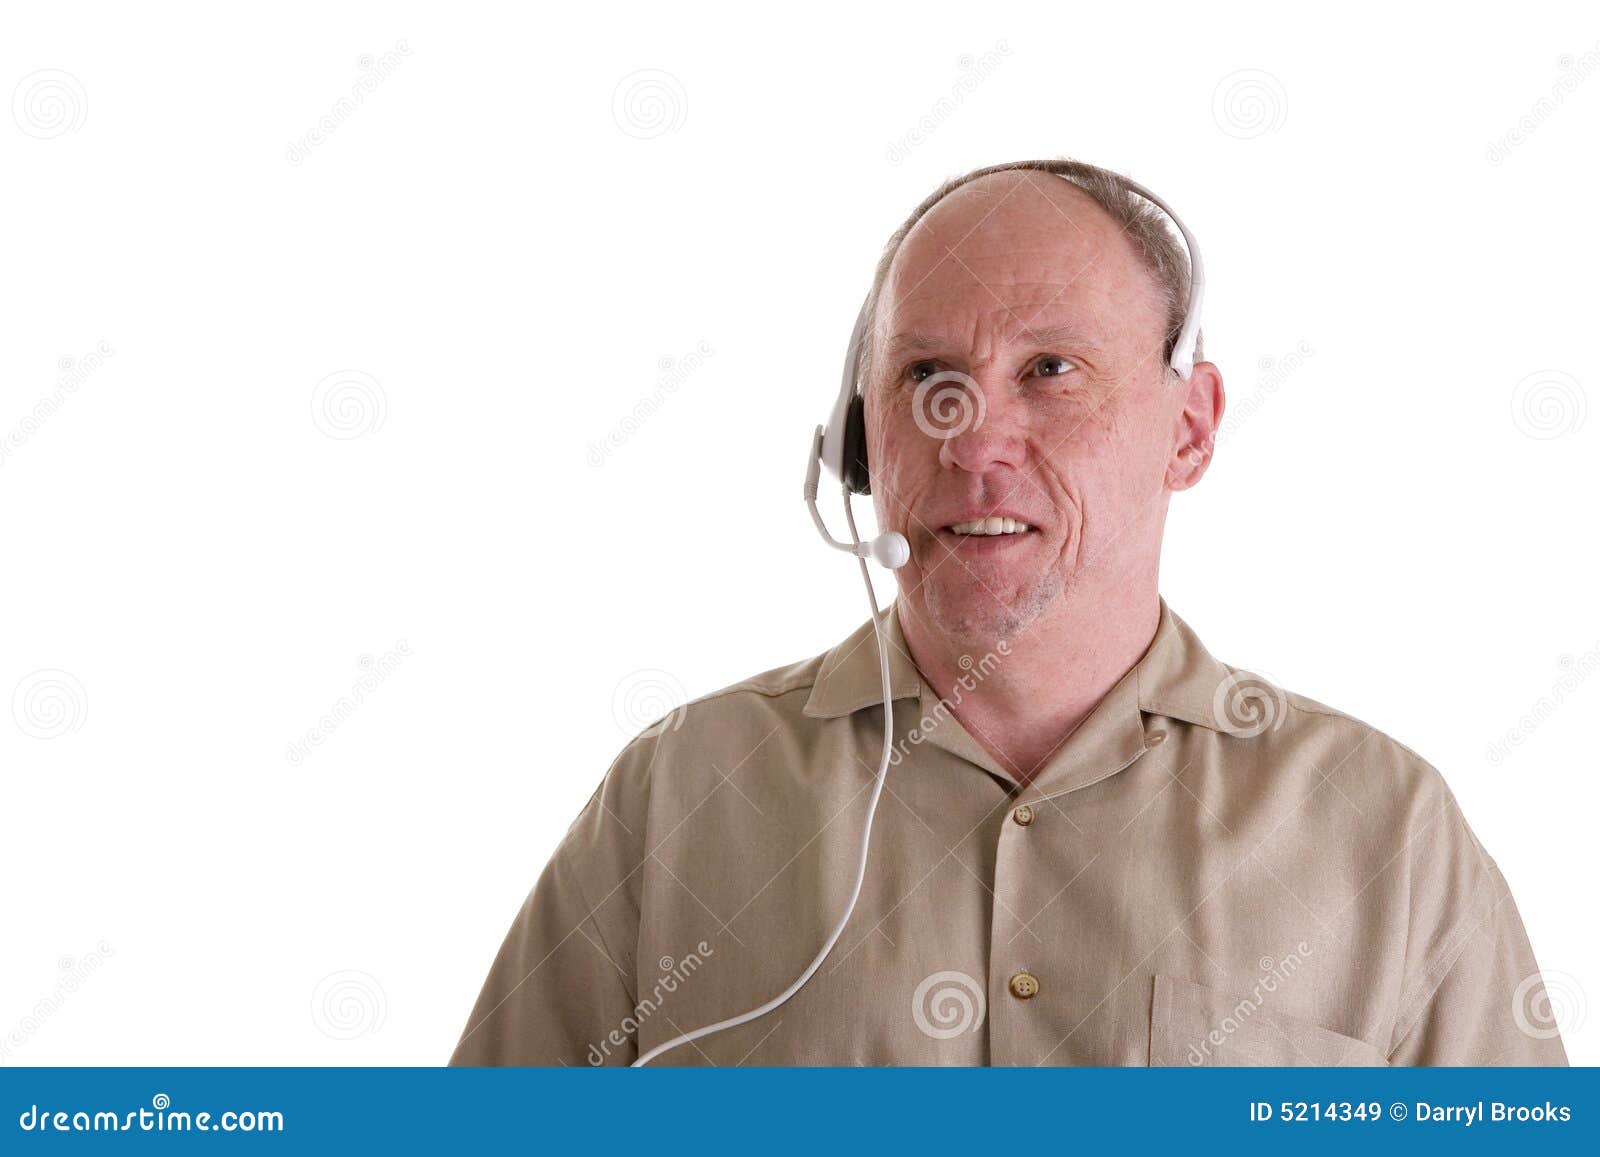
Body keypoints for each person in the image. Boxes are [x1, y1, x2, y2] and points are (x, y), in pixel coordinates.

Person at [449, 158, 1567, 1066]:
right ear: (857, 437)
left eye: (1048, 369)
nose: (973, 441)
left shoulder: (1383, 828)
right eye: (926, 373)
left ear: (1189, 428)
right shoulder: (682, 790)